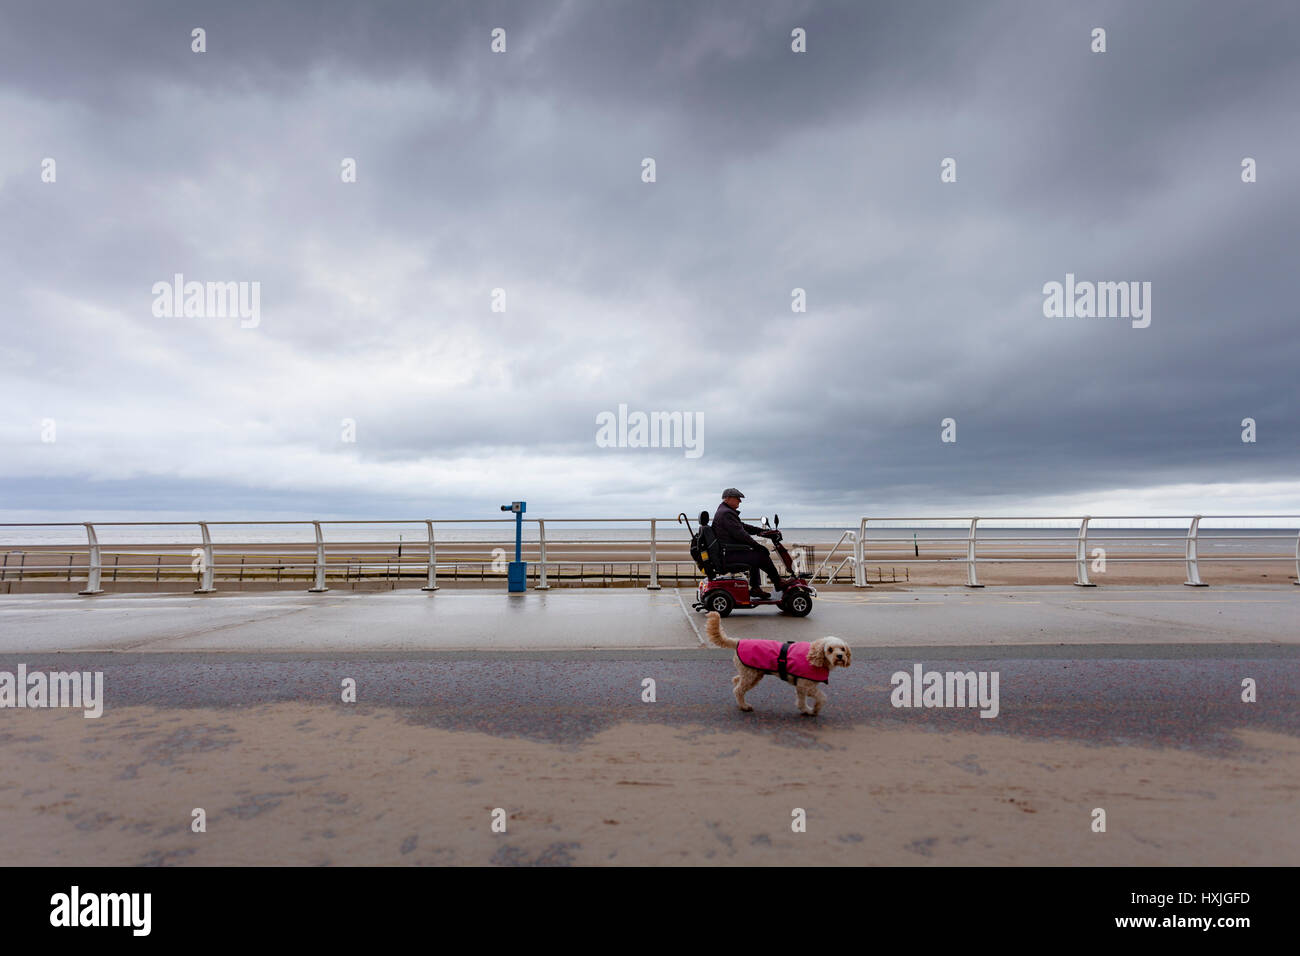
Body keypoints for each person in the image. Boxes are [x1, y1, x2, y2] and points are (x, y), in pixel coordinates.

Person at [712, 488, 787, 599]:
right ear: (727, 499)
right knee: (762, 555)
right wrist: (758, 546)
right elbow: (741, 534)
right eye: (737, 498)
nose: (740, 501)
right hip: (728, 555)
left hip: (727, 552)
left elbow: (742, 526)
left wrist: (760, 531)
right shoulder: (726, 514)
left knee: (754, 554)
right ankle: (778, 582)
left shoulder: (725, 511)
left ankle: (756, 588)